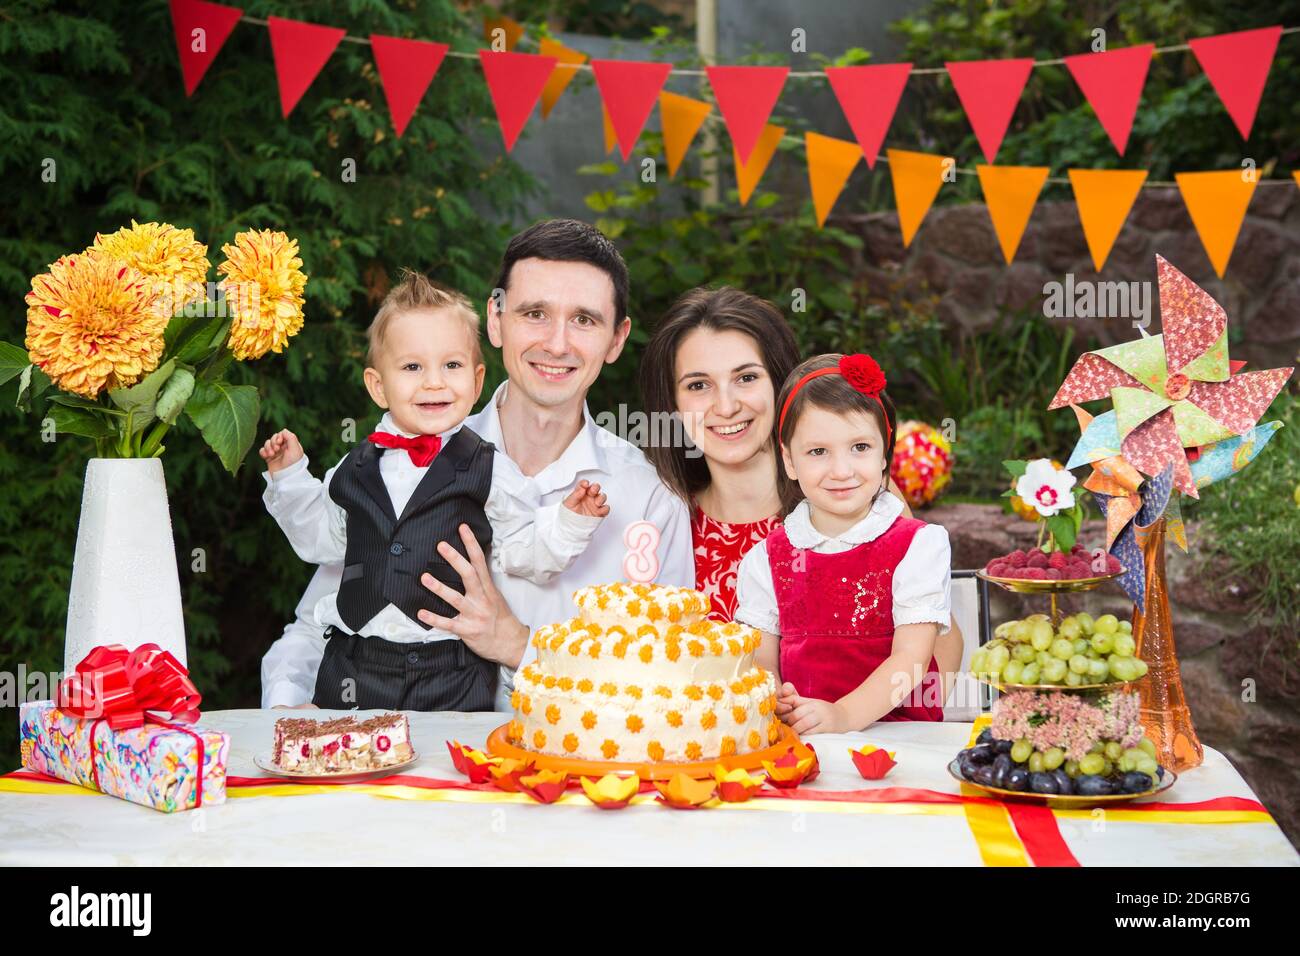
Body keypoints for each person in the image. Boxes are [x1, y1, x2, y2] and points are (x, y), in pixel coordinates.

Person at [261, 220, 694, 711]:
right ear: (495, 319)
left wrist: (519, 646)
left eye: (585, 320)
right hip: (405, 771)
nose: (557, 343)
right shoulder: (395, 465)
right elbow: (316, 626)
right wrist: (286, 712)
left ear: (617, 340)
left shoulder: (648, 499)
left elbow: (663, 681)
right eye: (535, 313)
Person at [734, 353, 953, 733]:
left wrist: (844, 716)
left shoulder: (916, 546)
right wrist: (775, 695)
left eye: (860, 448)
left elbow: (911, 656)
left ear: (885, 451)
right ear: (789, 460)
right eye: (818, 452)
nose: (841, 471)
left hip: (902, 739)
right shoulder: (766, 559)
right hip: (807, 736)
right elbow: (761, 660)